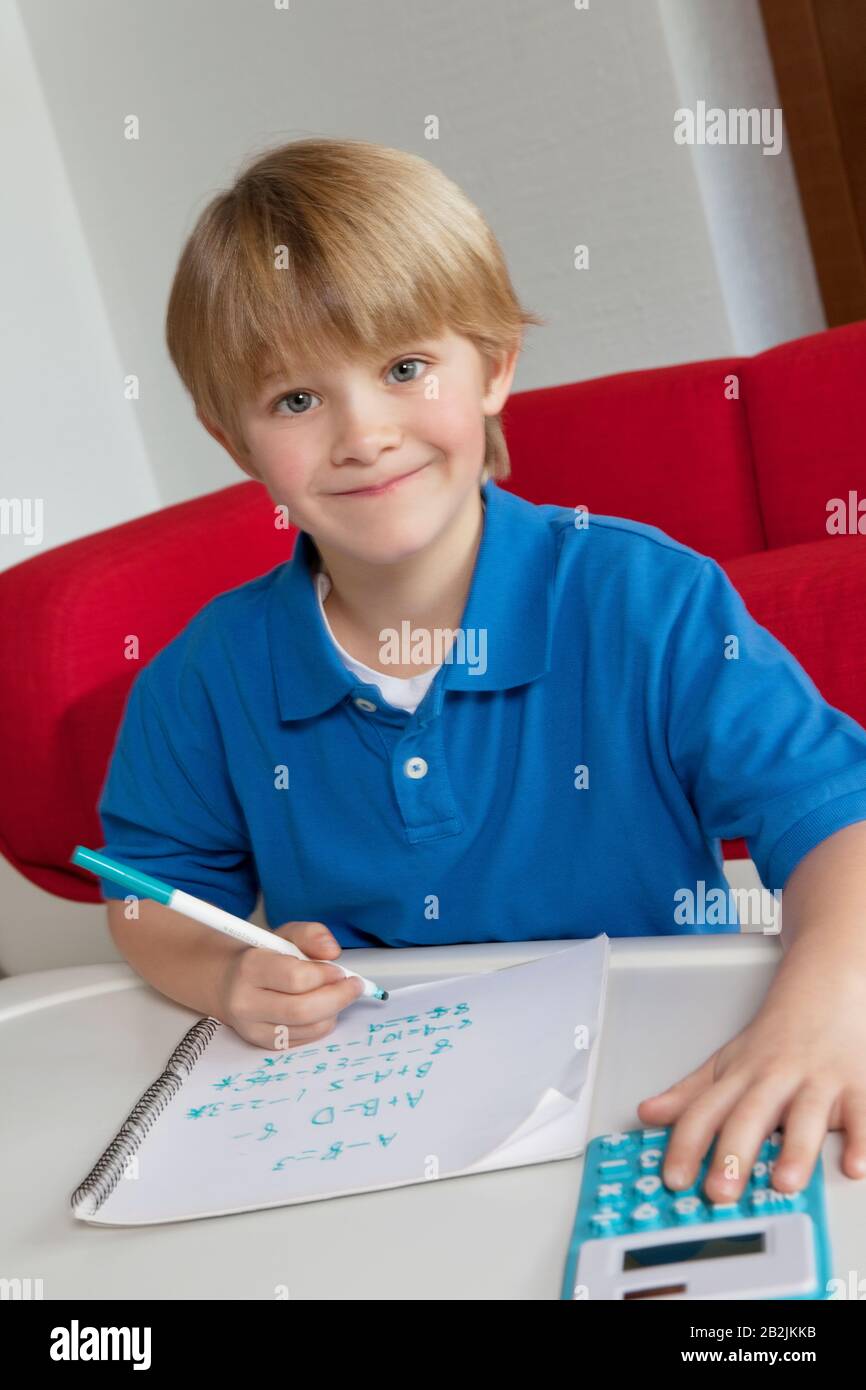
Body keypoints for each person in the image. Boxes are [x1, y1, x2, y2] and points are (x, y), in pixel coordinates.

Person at [98, 137, 866, 1205]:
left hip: (648, 1089)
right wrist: (225, 972)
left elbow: (837, 817)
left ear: (494, 363)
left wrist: (824, 1003)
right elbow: (150, 898)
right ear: (232, 439)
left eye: (404, 369)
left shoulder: (643, 599)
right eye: (294, 401)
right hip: (367, 1131)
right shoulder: (200, 678)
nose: (363, 435)